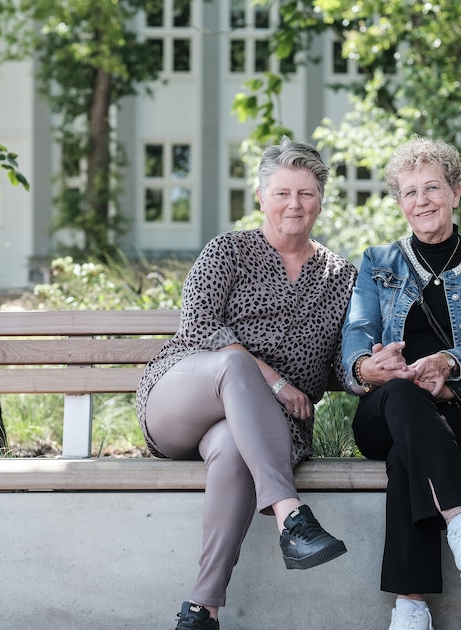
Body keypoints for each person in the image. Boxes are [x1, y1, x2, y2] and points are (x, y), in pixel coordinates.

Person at [136, 138, 358, 630]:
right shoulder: (229, 252)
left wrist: (368, 370)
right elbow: (198, 329)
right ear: (260, 197)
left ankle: (202, 610)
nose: (293, 205)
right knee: (236, 365)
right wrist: (276, 382)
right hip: (184, 398)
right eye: (281, 193)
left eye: (305, 193)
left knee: (235, 450)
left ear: (321, 199)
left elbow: (343, 364)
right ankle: (290, 515)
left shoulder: (342, 276)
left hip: (263, 431)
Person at [341, 137, 461, 630]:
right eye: (410, 192)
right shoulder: (377, 262)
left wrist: (449, 364)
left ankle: (410, 605)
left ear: (456, 193)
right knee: (401, 392)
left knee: (406, 455)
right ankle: (459, 518)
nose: (422, 201)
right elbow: (357, 333)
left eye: (433, 188)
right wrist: (366, 369)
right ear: (399, 203)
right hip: (386, 407)